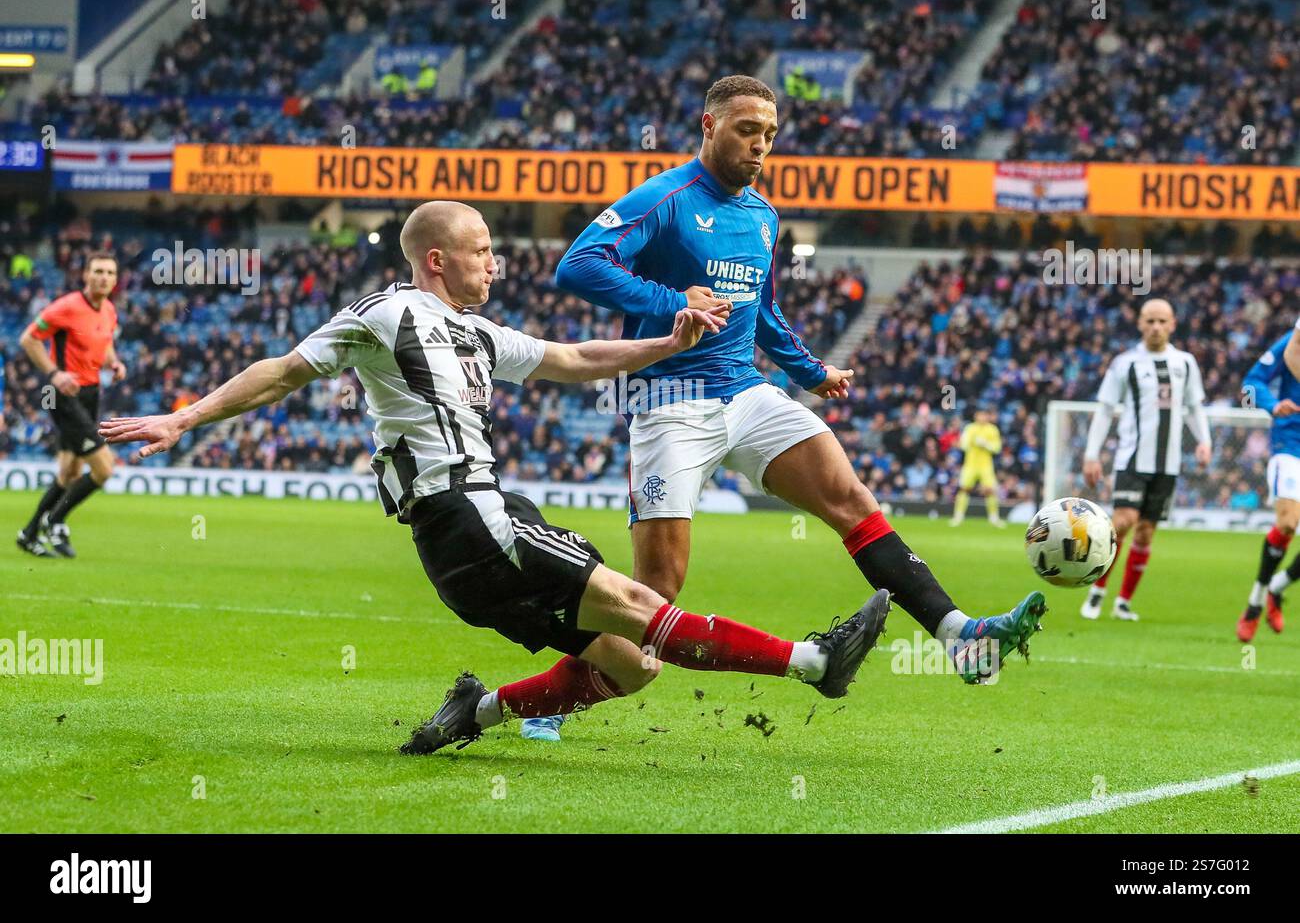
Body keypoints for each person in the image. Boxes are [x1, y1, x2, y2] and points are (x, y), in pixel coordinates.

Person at [100, 201, 891, 756]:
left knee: (631, 662)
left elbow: (574, 360)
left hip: (469, 548)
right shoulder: (389, 313)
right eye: (481, 247)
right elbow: (282, 372)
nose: (494, 259)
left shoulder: (475, 331)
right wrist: (182, 417)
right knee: (645, 608)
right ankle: (813, 663)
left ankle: (473, 712)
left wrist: (667, 342)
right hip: (469, 514)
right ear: (437, 259)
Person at [526, 75, 1045, 747]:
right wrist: (670, 300)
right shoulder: (667, 198)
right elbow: (577, 265)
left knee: (850, 498)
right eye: (747, 130)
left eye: (769, 134)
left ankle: (959, 635)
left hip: (746, 393)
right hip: (669, 404)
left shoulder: (763, 216)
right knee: (656, 587)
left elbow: (761, 309)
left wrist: (809, 370)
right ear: (708, 125)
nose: (760, 145)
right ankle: (548, 701)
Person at [1081, 299, 1212, 621]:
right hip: (1131, 460)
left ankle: (1123, 602)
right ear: (1140, 324)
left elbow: (1194, 407)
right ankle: (1097, 591)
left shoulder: (1185, 363)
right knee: (1123, 521)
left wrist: (1204, 440)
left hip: (1167, 464)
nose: (1156, 327)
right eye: (1150, 320)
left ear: (1172, 324)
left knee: (1146, 532)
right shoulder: (1125, 363)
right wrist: (1091, 453)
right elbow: (1105, 408)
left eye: (1161, 321)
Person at [16, 252, 127, 558]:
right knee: (104, 469)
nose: (104, 277)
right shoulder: (66, 307)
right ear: (86, 275)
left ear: (116, 280)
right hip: (63, 393)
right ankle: (56, 520)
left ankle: (29, 533)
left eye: (109, 272)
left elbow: (104, 345)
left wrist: (114, 362)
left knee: (69, 471)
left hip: (90, 394)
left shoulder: (108, 310)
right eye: (98, 271)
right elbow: (28, 338)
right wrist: (54, 373)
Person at [1236, 318, 1300, 641]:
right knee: (1288, 523)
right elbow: (1247, 390)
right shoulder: (1290, 344)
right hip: (1290, 445)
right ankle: (1255, 602)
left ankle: (1277, 587)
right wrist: (1273, 406)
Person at [951, 406, 1005, 527]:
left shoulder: (992, 429)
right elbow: (963, 445)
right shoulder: (970, 428)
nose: (982, 417)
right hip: (970, 464)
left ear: (987, 416)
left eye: (984, 414)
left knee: (990, 491)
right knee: (964, 489)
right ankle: (958, 517)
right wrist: (970, 442)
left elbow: (997, 448)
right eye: (979, 415)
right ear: (976, 416)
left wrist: (986, 444)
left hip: (986, 465)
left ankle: (994, 518)